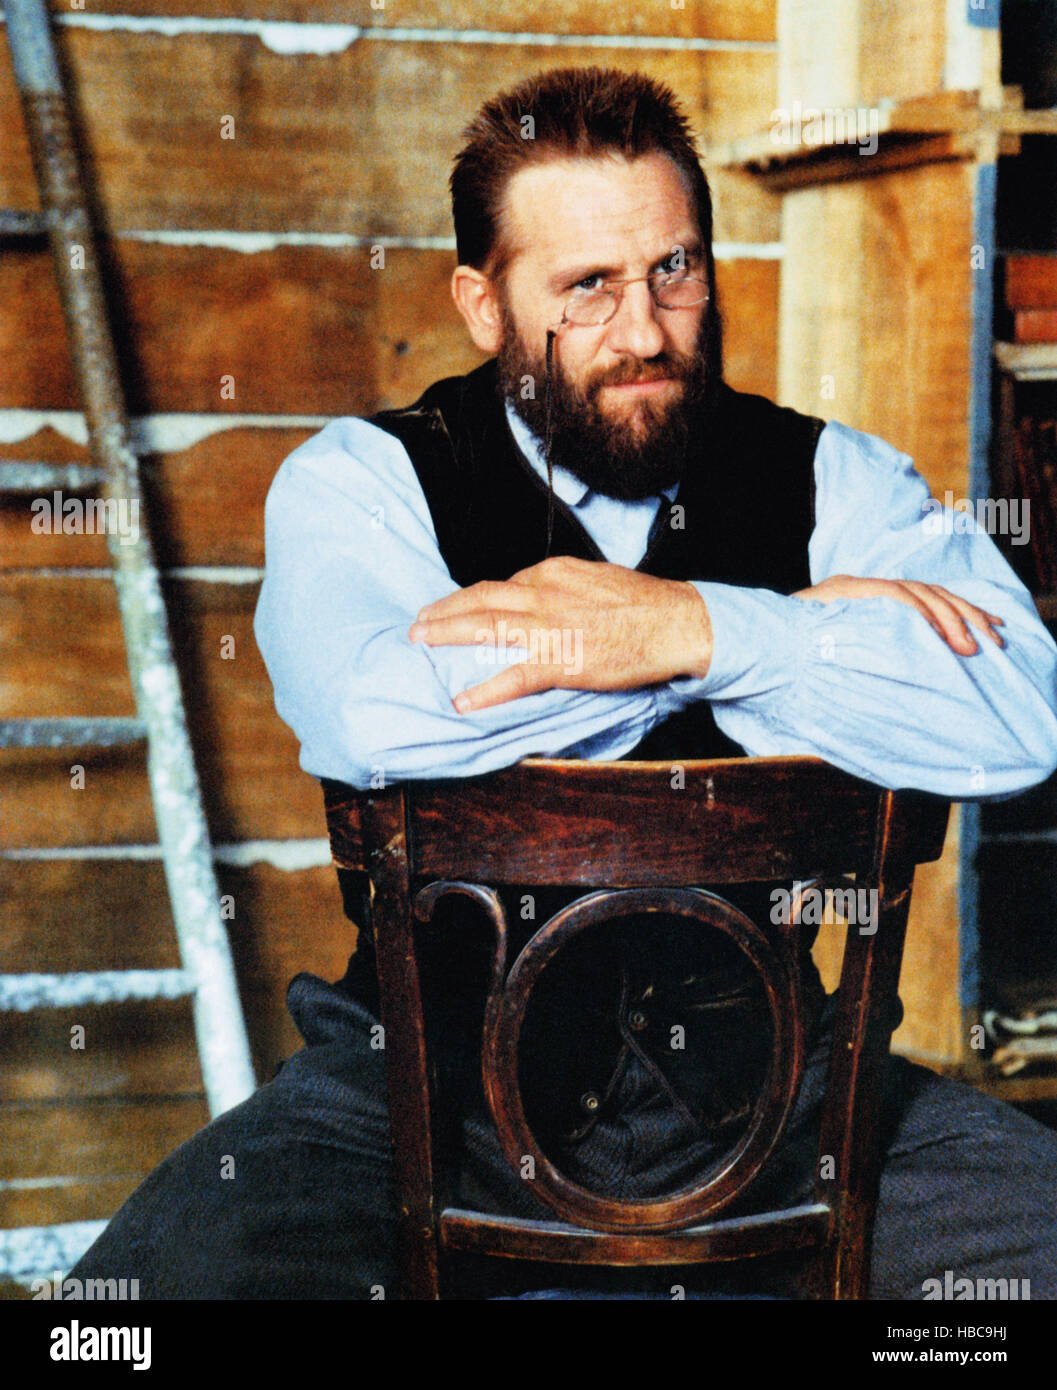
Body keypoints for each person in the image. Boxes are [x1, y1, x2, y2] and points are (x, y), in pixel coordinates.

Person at [72, 66, 1057, 1300]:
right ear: (483, 306)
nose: (643, 332)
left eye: (674, 272)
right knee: (121, 1319)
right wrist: (799, 642)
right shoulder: (365, 481)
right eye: (585, 288)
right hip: (419, 1086)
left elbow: (1019, 711)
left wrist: (695, 627)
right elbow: (373, 712)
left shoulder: (837, 477)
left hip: (792, 1093)